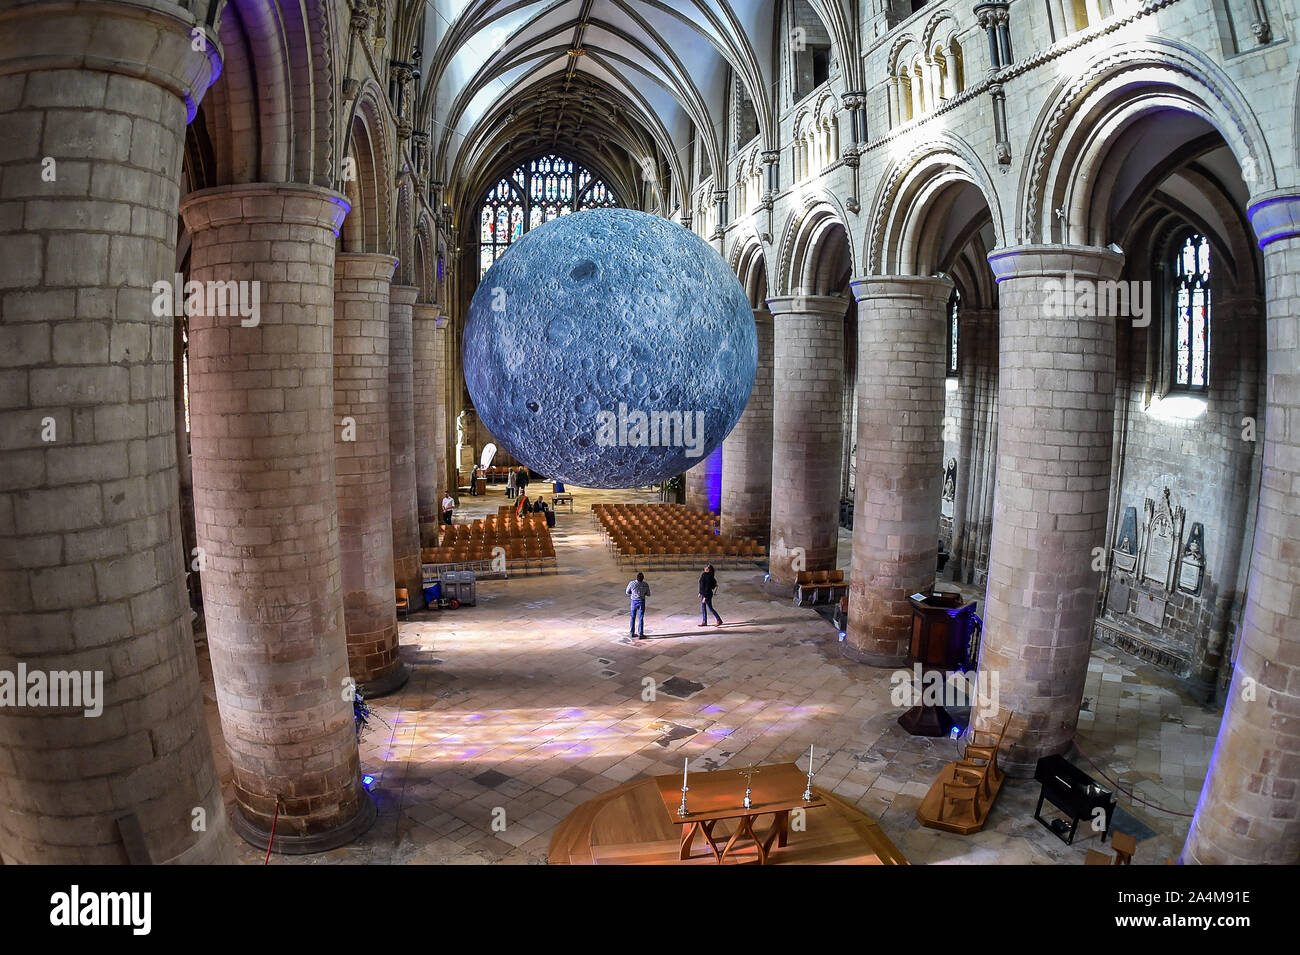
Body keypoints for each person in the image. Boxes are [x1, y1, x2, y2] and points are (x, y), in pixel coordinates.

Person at [626, 572, 650, 639]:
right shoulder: (645, 584)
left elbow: (627, 592)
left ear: (636, 577)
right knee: (641, 618)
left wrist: (633, 593)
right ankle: (640, 634)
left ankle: (631, 633)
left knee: (632, 617)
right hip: (641, 602)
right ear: (643, 578)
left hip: (634, 602)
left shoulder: (632, 583)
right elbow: (648, 594)